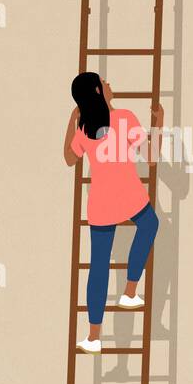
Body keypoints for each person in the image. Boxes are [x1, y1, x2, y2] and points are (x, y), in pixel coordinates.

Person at [63, 72, 162, 354]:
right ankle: (130, 291)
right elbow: (152, 158)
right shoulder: (125, 119)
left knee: (99, 266)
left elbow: (69, 159)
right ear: (98, 89)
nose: (109, 84)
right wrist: (158, 121)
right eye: (105, 82)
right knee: (150, 224)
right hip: (129, 197)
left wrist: (72, 120)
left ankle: (94, 336)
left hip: (102, 205)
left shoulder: (84, 129)